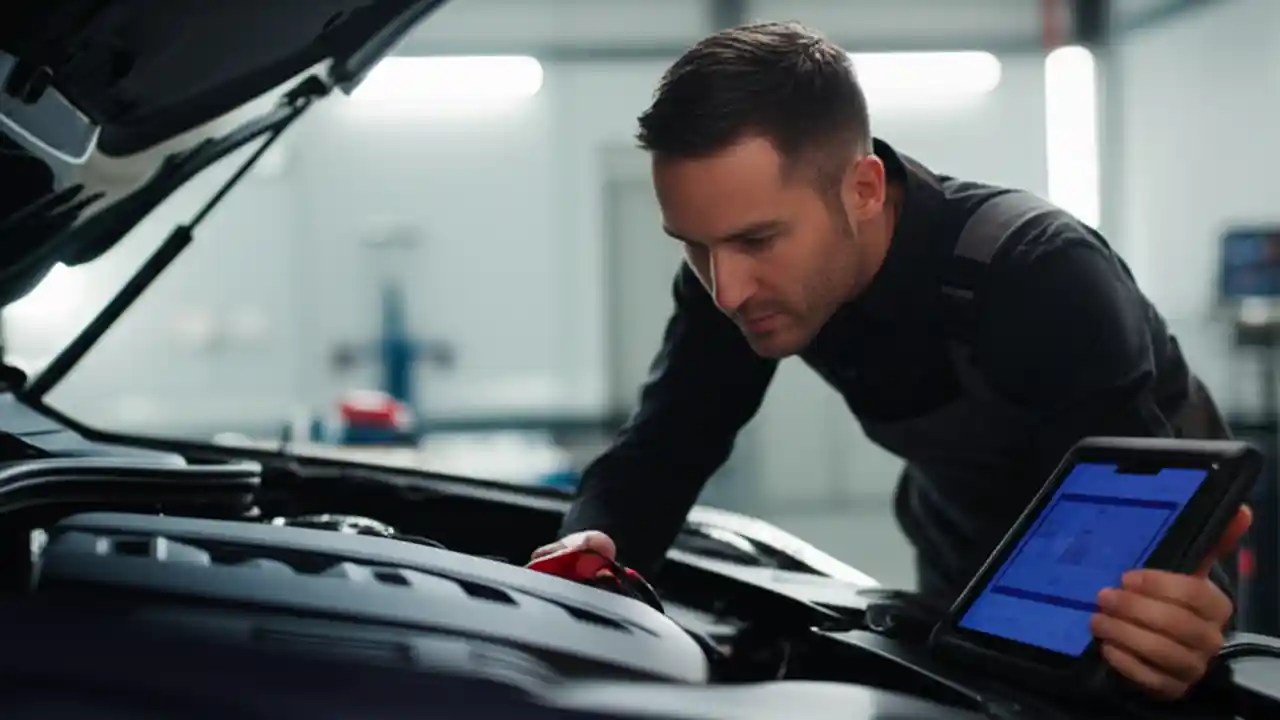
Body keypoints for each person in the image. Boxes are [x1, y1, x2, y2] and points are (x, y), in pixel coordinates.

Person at [532, 22, 1250, 700]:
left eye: (757, 241)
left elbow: (1132, 505)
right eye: (693, 244)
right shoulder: (733, 280)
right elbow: (663, 447)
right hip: (955, 556)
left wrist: (1173, 634)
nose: (726, 289)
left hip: (1137, 553)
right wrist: (587, 558)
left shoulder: (1039, 273)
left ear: (864, 190)